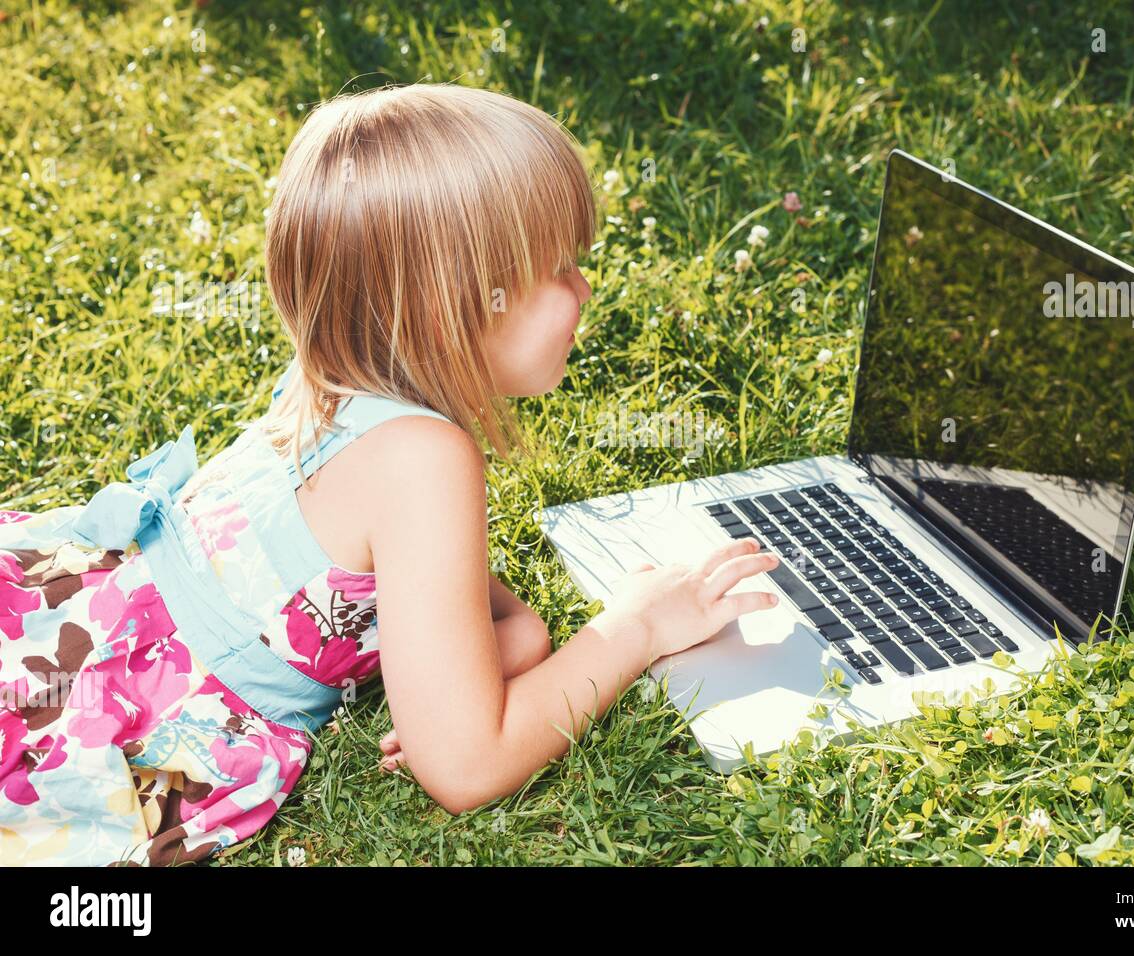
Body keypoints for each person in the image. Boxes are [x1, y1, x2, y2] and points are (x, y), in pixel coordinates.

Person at [0, 83, 779, 866]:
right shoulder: (424, 458)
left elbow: (437, 606)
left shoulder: (337, 380)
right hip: (93, 703)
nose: (584, 290)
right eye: (559, 269)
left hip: (76, 613)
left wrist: (519, 640)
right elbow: (467, 765)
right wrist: (638, 623)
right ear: (458, 304)